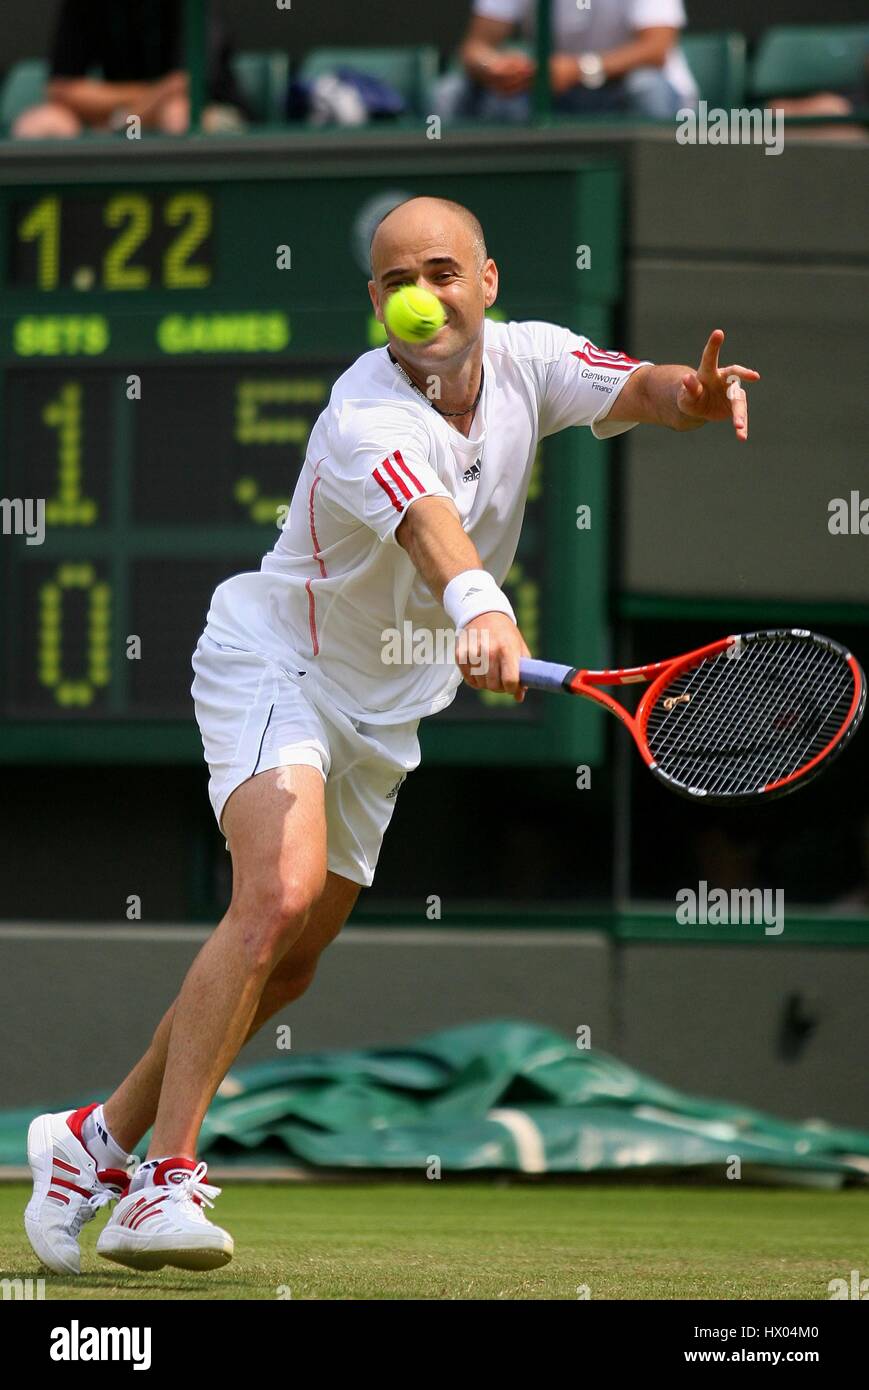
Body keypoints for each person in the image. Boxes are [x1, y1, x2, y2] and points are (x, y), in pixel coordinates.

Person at [24, 196, 757, 1273]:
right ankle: (158, 1186)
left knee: (290, 964)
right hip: (276, 663)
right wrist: (482, 609)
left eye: (445, 268)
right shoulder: (361, 414)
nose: (425, 291)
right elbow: (430, 527)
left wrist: (686, 397)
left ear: (488, 281)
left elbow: (636, 385)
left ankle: (90, 1142)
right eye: (399, 276)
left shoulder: (530, 360)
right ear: (377, 300)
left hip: (385, 710)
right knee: (272, 895)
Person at [13, 0, 247, 139]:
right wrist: (129, 114)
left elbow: (185, 84)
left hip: (209, 112)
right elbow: (62, 90)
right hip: (119, 116)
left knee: (178, 115)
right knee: (44, 123)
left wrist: (122, 121)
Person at [436, 0, 697, 123]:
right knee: (450, 93)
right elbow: (475, 47)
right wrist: (494, 67)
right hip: (549, 92)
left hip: (622, 88)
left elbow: (656, 48)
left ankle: (657, 203)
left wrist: (580, 70)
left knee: (648, 88)